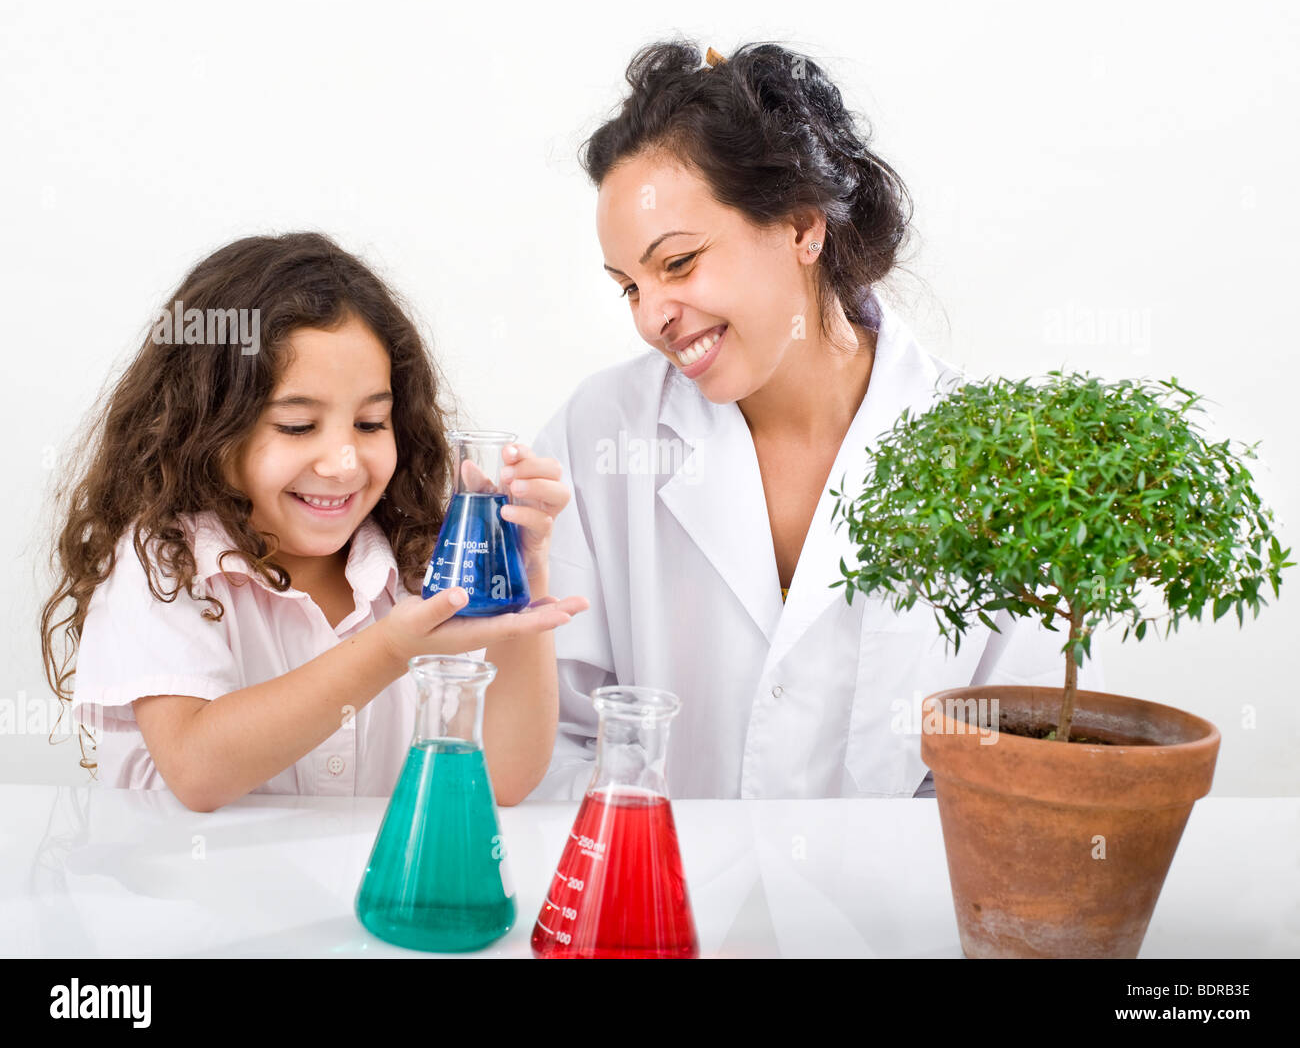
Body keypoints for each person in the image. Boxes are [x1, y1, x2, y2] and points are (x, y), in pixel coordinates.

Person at [524, 41, 1104, 800]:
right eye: (628, 287)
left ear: (802, 227)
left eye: (678, 263)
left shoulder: (989, 455)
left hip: (899, 909)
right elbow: (555, 742)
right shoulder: (597, 435)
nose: (653, 316)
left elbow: (1017, 757)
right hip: (665, 909)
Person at [41, 232, 589, 811]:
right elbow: (196, 769)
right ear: (207, 432)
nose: (343, 462)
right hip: (199, 899)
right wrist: (391, 649)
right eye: (298, 426)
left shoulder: (414, 566)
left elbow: (501, 780)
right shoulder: (165, 561)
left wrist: (524, 576)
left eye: (371, 423)